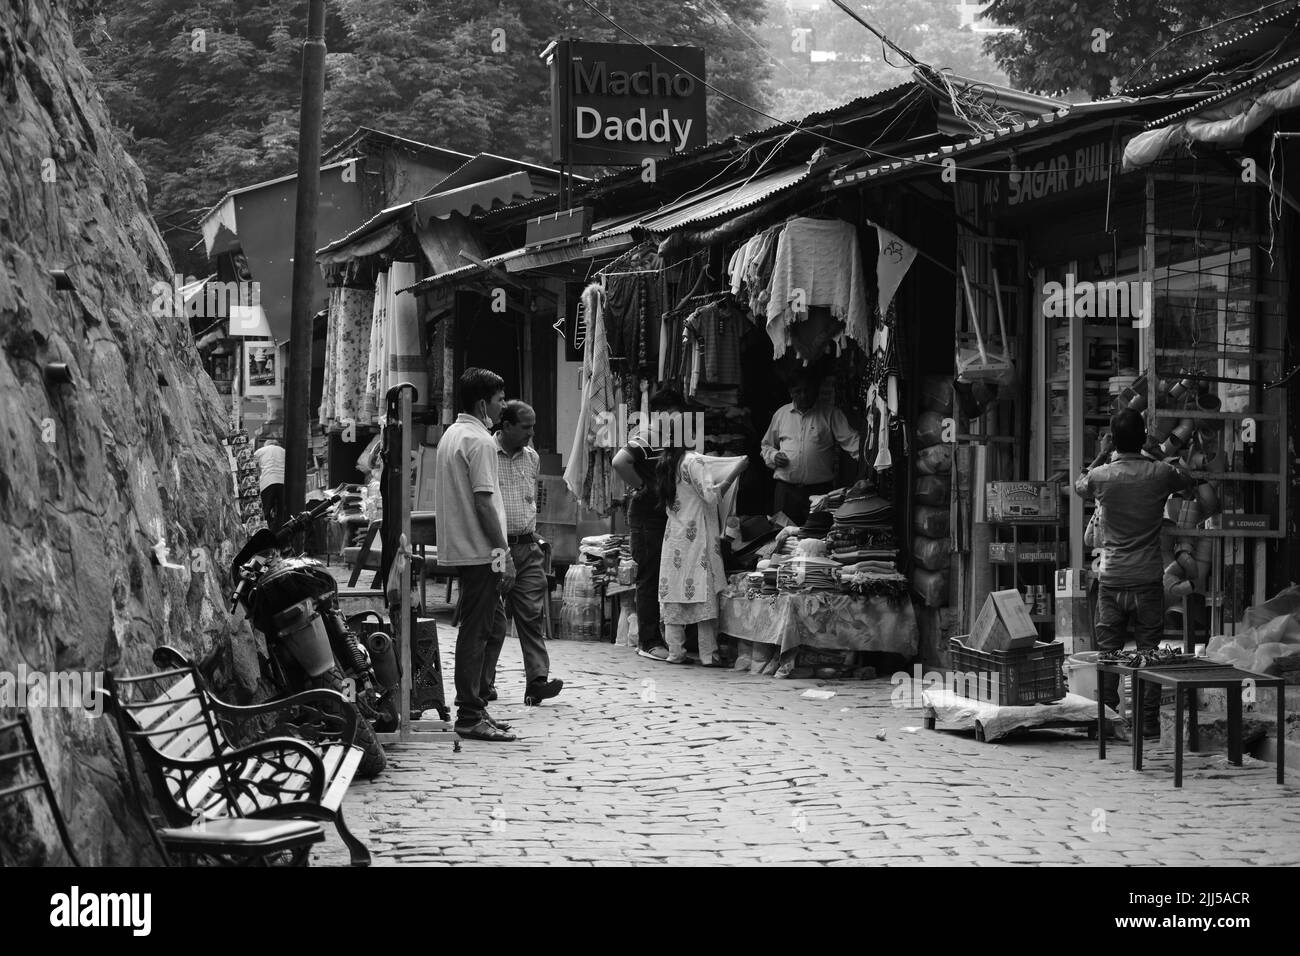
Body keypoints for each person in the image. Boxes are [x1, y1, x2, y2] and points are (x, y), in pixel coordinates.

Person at [1074, 409, 1195, 741]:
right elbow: (1187, 480)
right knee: (1149, 655)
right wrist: (1155, 451)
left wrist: (1100, 451)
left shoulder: (1101, 476)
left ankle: (1107, 722)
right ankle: (1148, 724)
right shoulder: (1158, 473)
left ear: (1113, 439)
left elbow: (1079, 484)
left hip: (1111, 578)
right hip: (1147, 579)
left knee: (1109, 655)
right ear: (1143, 437)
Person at [435, 367, 517, 742]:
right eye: (500, 400)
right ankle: (469, 713)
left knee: (493, 625)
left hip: (466, 548)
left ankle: (477, 705)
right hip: (481, 551)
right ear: (483, 402)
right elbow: (484, 504)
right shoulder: (480, 440)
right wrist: (504, 556)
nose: (504, 406)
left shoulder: (454, 434)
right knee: (478, 628)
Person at [488, 400, 564, 706]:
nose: (532, 433)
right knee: (491, 619)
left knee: (531, 614)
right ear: (506, 426)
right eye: (526, 427)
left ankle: (537, 681)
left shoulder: (531, 457)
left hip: (526, 544)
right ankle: (483, 682)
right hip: (494, 547)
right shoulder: (485, 453)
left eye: (533, 426)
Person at [611, 387, 686, 662]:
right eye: (678, 414)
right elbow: (619, 461)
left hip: (660, 515)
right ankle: (648, 641)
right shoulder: (648, 434)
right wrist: (642, 487)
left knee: (659, 575)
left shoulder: (668, 437)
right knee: (649, 577)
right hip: (646, 515)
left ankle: (656, 636)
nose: (681, 419)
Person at [657, 444, 745, 665]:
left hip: (675, 535)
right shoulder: (694, 461)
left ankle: (675, 652)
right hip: (697, 535)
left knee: (675, 590)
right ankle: (708, 654)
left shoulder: (667, 461)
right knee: (703, 590)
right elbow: (711, 496)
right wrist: (736, 471)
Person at [760, 373, 861, 524]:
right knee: (782, 535)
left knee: (818, 538)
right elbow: (766, 445)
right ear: (790, 392)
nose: (803, 395)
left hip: (820, 492)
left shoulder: (830, 414)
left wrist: (872, 459)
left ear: (816, 390)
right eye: (798, 391)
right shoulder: (781, 414)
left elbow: (852, 441)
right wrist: (774, 456)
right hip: (786, 491)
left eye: (807, 390)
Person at [253, 436, 285, 531]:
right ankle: (280, 533)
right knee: (281, 511)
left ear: (266, 444)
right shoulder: (283, 451)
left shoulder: (260, 451)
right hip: (282, 482)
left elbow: (252, 467)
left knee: (265, 511)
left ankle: (265, 531)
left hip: (267, 482)